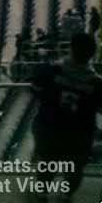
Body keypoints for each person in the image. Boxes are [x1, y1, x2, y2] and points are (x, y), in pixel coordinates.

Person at [31, 32, 100, 196]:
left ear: (71, 49)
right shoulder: (97, 83)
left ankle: (41, 194)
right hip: (80, 133)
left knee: (47, 163)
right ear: (92, 55)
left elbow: (35, 89)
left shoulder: (50, 70)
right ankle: (65, 196)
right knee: (75, 168)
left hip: (49, 128)